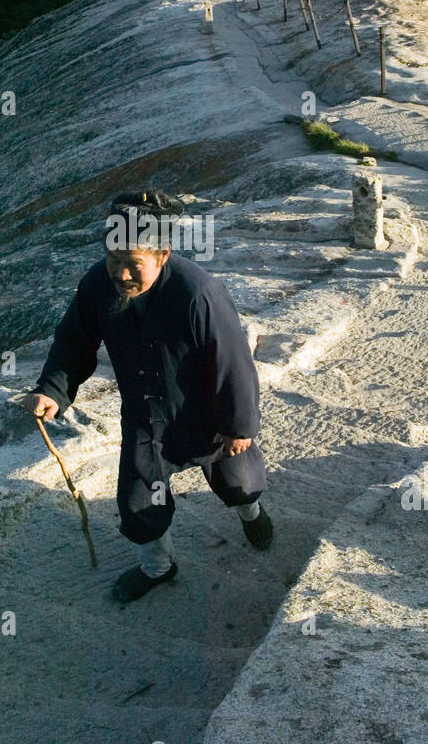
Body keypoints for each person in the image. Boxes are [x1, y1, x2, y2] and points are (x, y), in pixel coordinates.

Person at [21, 188, 272, 602]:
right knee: (139, 503)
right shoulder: (98, 285)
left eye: (133, 264)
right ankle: (159, 566)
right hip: (145, 417)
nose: (121, 274)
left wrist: (239, 426)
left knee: (239, 483)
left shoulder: (198, 293)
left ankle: (252, 515)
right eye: (113, 260)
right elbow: (74, 342)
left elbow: (234, 363)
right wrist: (52, 390)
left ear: (162, 255)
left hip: (207, 415)